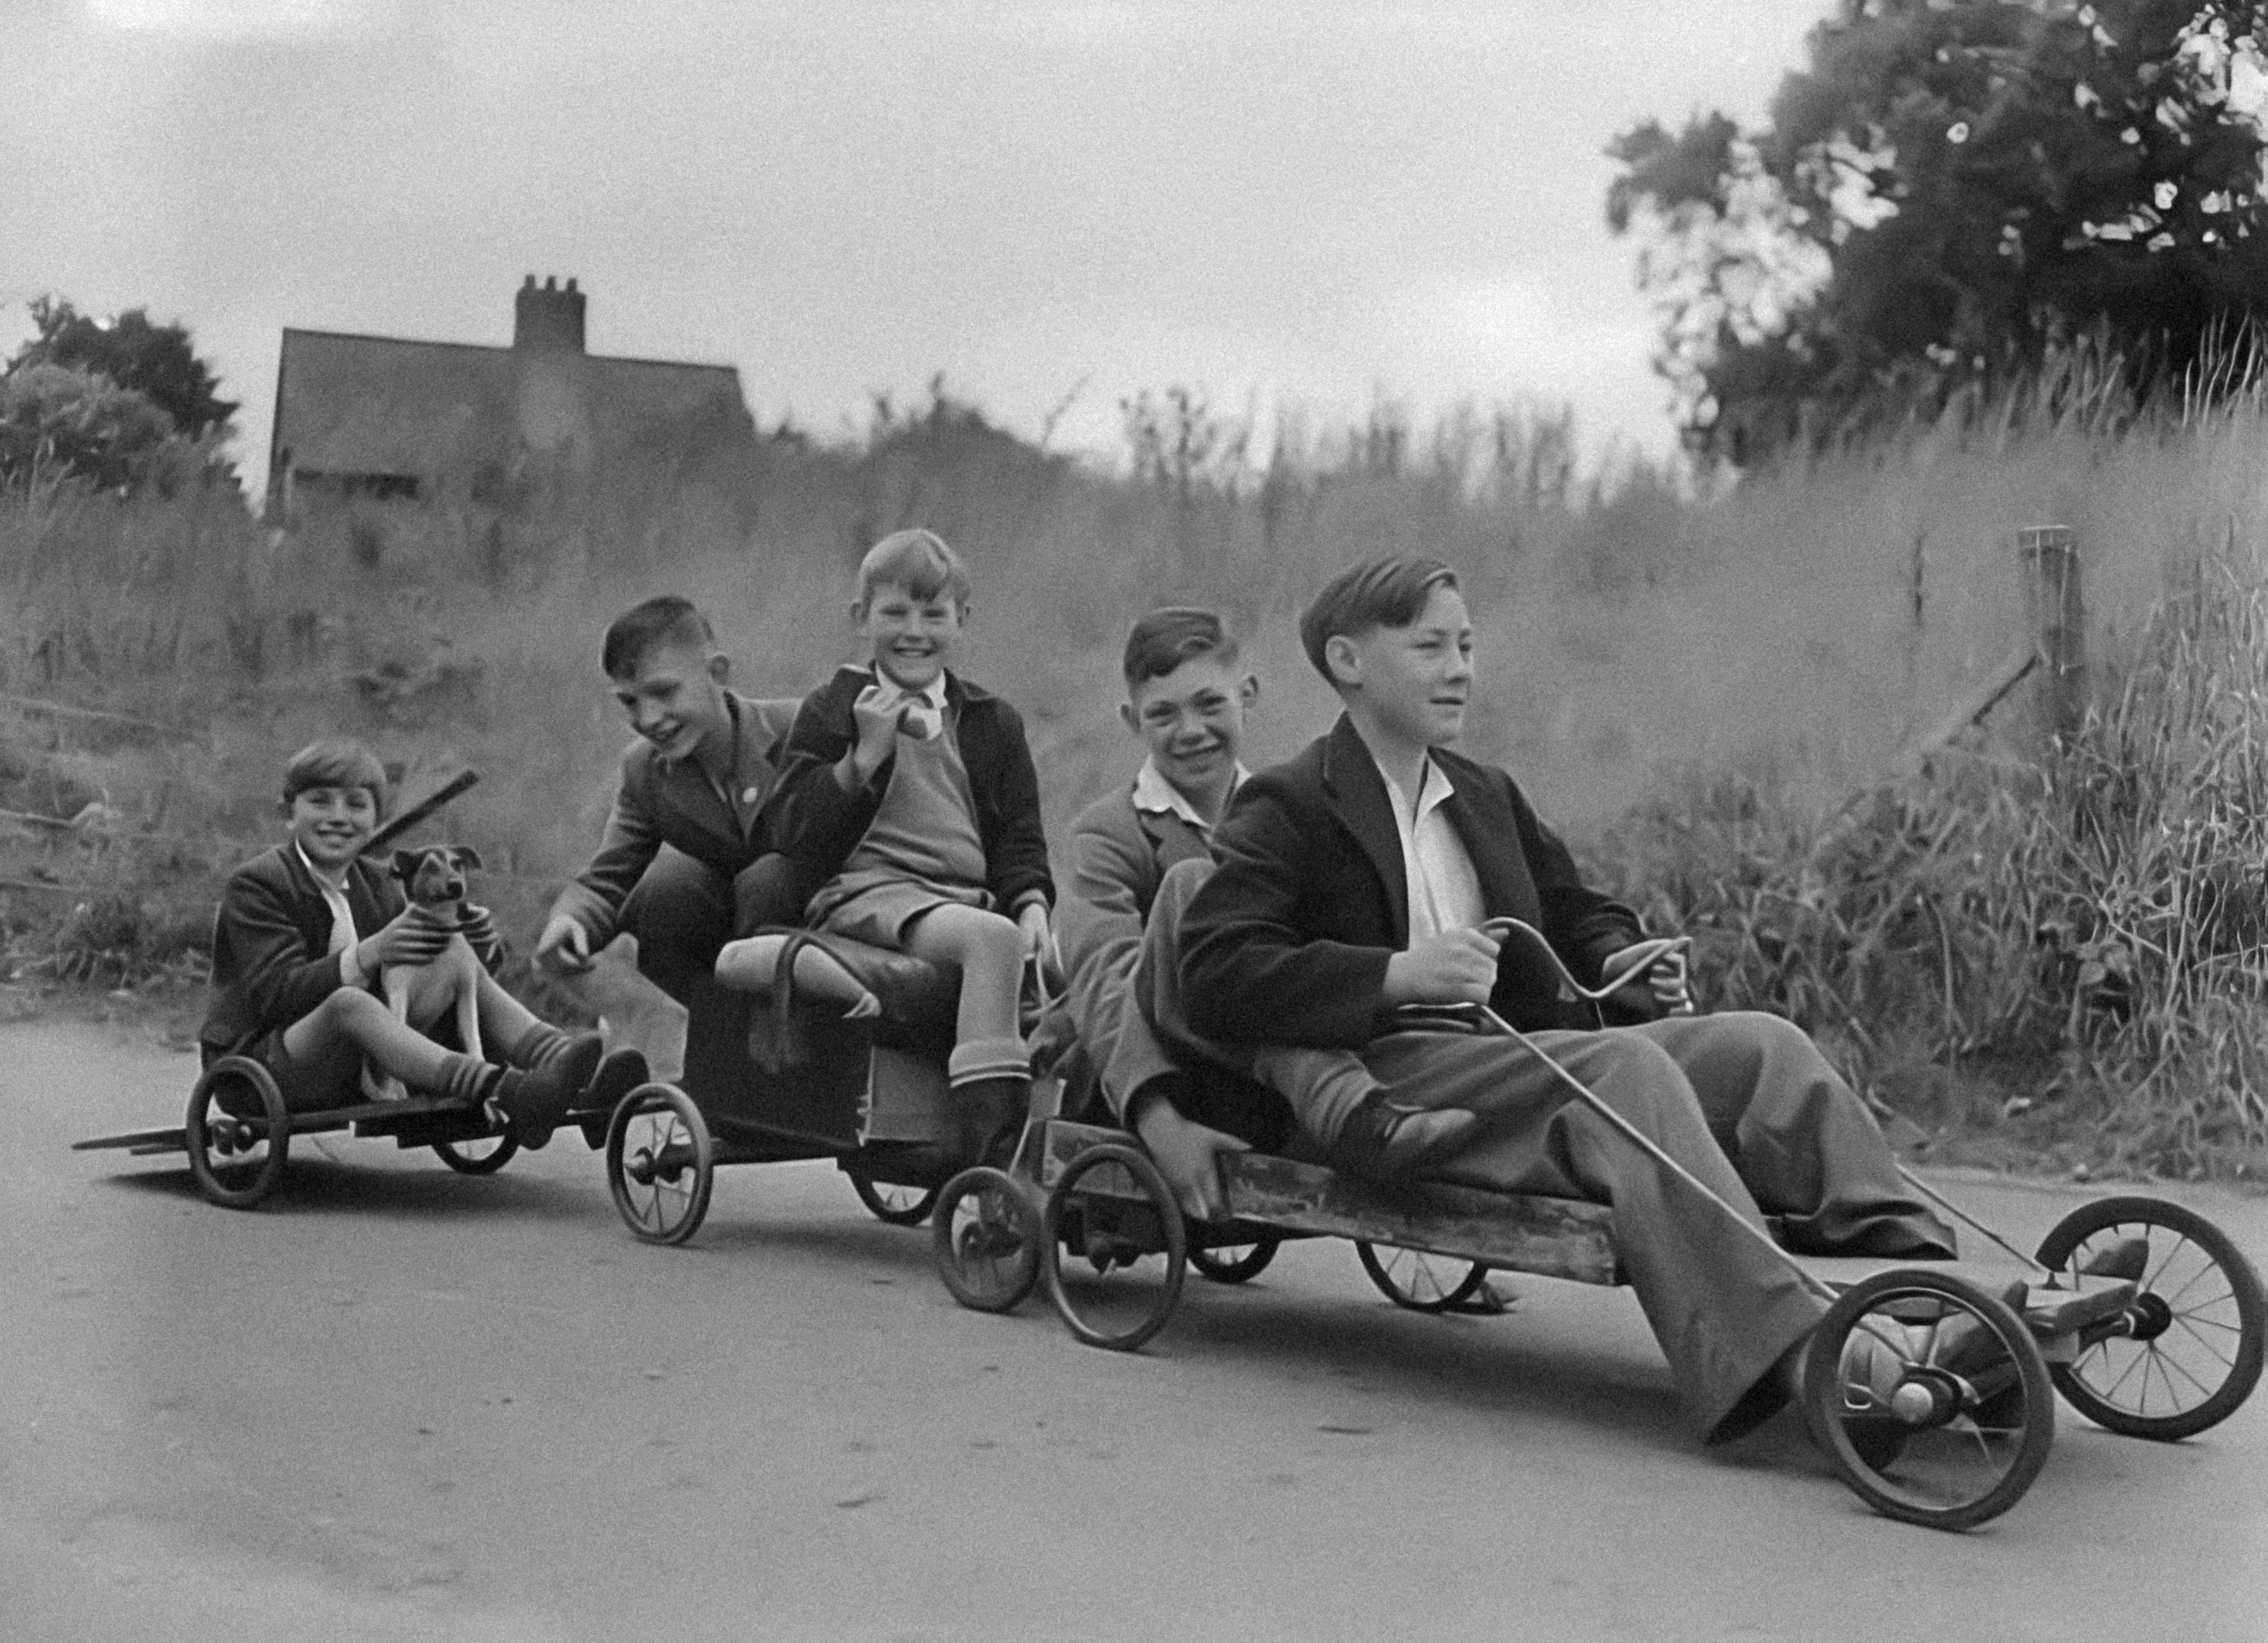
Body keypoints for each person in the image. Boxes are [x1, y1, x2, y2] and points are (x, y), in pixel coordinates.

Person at [1171, 556, 1956, 1445]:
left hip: (1512, 1056)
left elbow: (1575, 911)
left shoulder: (1481, 793)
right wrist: (1395, 975)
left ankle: (1926, 1286)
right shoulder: (1290, 803)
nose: (1460, 667)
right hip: (1389, 1079)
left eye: (1465, 645)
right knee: (1617, 1072)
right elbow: (1216, 971)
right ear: (1348, 662)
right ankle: (1790, 1348)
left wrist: (1622, 960)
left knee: (1761, 1047)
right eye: (1429, 646)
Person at [1056, 607, 1475, 1208]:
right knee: (1192, 888)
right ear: (1132, 721)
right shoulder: (1104, 834)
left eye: (1209, 705)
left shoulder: (1286, 811)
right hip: (1145, 1075)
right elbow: (1103, 983)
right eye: (1163, 715)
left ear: (1247, 695)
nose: (1191, 731)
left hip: (1257, 1073)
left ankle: (1392, 1123)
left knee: (1262, 964)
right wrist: (1160, 1123)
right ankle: (1348, 1110)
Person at [765, 529, 1054, 1165]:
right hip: (870, 894)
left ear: (962, 621)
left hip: (963, 900)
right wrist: (862, 757)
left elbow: (1020, 839)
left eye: (934, 613)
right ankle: (990, 1156)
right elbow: (791, 830)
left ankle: (1054, 1135)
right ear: (861, 619)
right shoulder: (835, 708)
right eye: (895, 612)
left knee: (1053, 966)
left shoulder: (990, 723)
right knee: (991, 940)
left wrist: (1032, 905)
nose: (914, 631)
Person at [200, 739, 608, 1145]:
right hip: (263, 1065)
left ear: (377, 818)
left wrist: (477, 950)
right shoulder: (259, 884)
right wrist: (368, 953)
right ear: (288, 814)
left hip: (358, 1059)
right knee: (350, 1003)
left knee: (454, 949)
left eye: (357, 805)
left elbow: (422, 978)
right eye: (320, 802)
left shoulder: (377, 882)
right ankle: (503, 1089)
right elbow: (273, 996)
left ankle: (564, 1065)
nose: (338, 818)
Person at [535, 596, 813, 1012]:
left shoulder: (797, 730)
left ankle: (797, 1025)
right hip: (725, 948)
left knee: (768, 878)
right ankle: (719, 1027)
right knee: (666, 886)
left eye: (663, 693)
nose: (648, 720)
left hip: (817, 937)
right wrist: (569, 922)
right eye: (630, 701)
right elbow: (612, 877)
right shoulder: (644, 770)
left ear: (717, 673)